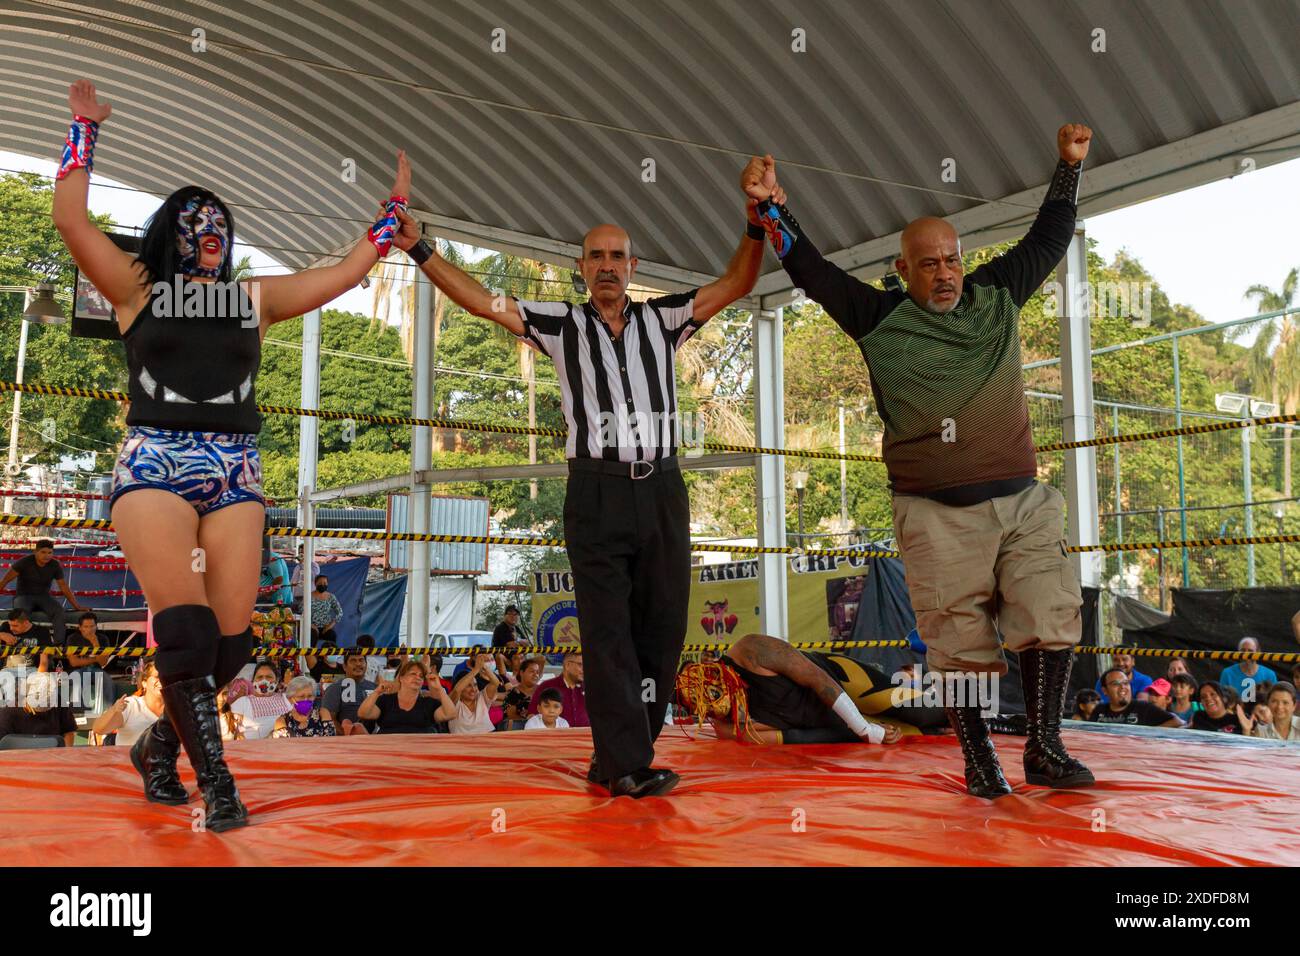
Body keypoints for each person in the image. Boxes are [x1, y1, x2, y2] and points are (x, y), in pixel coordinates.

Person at [53, 78, 414, 831]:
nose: (208, 229)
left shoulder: (252, 297)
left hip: (235, 469)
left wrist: (389, 220)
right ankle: (219, 786)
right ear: (172, 233)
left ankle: (157, 748)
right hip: (155, 461)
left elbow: (345, 274)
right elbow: (70, 218)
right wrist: (84, 129)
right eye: (194, 219)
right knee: (182, 635)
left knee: (230, 646)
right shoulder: (136, 287)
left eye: (219, 220)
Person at [393, 154, 765, 799]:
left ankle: (624, 754)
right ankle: (627, 765)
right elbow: (484, 301)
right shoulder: (560, 323)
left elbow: (734, 284)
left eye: (617, 256)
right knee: (606, 631)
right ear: (581, 267)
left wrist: (756, 226)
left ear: (633, 267)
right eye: (595, 257)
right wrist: (421, 248)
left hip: (662, 487)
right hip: (595, 489)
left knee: (664, 627)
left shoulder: (664, 320)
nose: (607, 267)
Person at [746, 124, 1096, 798]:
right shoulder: (878, 317)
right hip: (936, 513)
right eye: (929, 263)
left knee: (1050, 611)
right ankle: (979, 759)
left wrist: (1068, 166)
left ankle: (1047, 748)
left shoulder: (997, 295)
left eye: (952, 260)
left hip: (1022, 501)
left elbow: (1049, 237)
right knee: (959, 642)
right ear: (903, 270)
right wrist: (773, 208)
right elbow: (811, 271)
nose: (945, 273)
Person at [674, 635, 948, 745]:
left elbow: (819, 681)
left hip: (842, 683)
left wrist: (863, 728)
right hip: (829, 720)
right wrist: (864, 732)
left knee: (923, 713)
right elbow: (797, 737)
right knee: (915, 733)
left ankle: (981, 709)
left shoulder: (752, 650)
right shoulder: (730, 728)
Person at [0, 539, 83, 647]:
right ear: (35, 552)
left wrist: (77, 606)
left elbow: (63, 586)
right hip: (24, 596)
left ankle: (58, 645)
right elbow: (5, 580)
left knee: (59, 611)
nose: (47, 556)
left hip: (44, 597)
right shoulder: (24, 562)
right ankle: (18, 644)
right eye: (43, 552)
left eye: (50, 553)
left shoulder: (55, 565)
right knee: (20, 615)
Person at [358, 660, 454, 734]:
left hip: (420, 752)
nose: (417, 678)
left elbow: (451, 714)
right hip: (389, 751)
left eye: (421, 676)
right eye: (413, 674)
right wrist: (377, 692)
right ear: (401, 678)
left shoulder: (429, 703)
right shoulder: (385, 701)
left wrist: (439, 688)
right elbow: (363, 713)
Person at [93, 660, 165, 747]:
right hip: (128, 760)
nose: (162, 680)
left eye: (166, 676)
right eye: (157, 676)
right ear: (144, 683)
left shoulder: (178, 708)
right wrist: (113, 710)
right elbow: (98, 729)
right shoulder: (131, 705)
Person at [0, 671, 76, 746]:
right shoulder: (8, 714)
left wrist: (65, 753)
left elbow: (69, 732)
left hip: (53, 755)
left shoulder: (58, 703)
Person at [1090, 669, 1182, 728]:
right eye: (1115, 684)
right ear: (1105, 690)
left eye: (1125, 683)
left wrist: (1151, 733)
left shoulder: (1143, 707)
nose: (1123, 687)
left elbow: (1176, 721)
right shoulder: (1099, 710)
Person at [229, 661, 291, 740]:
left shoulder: (286, 698)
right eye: (259, 677)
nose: (264, 680)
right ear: (253, 681)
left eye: (269, 677)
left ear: (277, 680)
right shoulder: (242, 702)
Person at [322, 651, 377, 735]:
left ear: (366, 665)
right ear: (344, 666)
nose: (358, 664)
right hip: (347, 742)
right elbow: (330, 719)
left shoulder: (376, 688)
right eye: (353, 660)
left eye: (361, 660)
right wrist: (346, 737)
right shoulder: (334, 689)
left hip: (376, 739)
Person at [529, 652, 589, 729]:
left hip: (587, 738)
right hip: (555, 738)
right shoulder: (546, 686)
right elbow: (532, 715)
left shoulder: (591, 688)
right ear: (567, 665)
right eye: (580, 665)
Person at [449, 653, 500, 734]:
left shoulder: (482, 698)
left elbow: (495, 683)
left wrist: (484, 666)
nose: (473, 689)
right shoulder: (454, 703)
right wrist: (475, 669)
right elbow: (457, 690)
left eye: (475, 685)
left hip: (486, 741)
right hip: (462, 744)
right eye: (468, 685)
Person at [1218, 637, 1278, 704]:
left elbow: (1274, 699)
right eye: (1243, 650)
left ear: (1258, 652)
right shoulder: (1227, 673)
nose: (1246, 654)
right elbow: (1223, 700)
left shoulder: (1269, 675)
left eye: (1250, 651)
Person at [501, 656, 543, 725]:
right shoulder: (513, 693)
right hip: (520, 729)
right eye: (532, 671)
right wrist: (529, 720)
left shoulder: (543, 691)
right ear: (521, 673)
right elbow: (510, 716)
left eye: (537, 672)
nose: (535, 675)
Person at [307, 575, 343, 645]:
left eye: (325, 583)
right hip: (312, 628)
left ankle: (330, 655)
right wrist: (311, 625)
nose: (322, 584)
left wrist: (330, 626)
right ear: (315, 583)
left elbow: (340, 612)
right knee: (311, 636)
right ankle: (310, 655)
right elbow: (302, 612)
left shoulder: (331, 597)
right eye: (320, 582)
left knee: (332, 635)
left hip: (326, 628)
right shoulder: (309, 596)